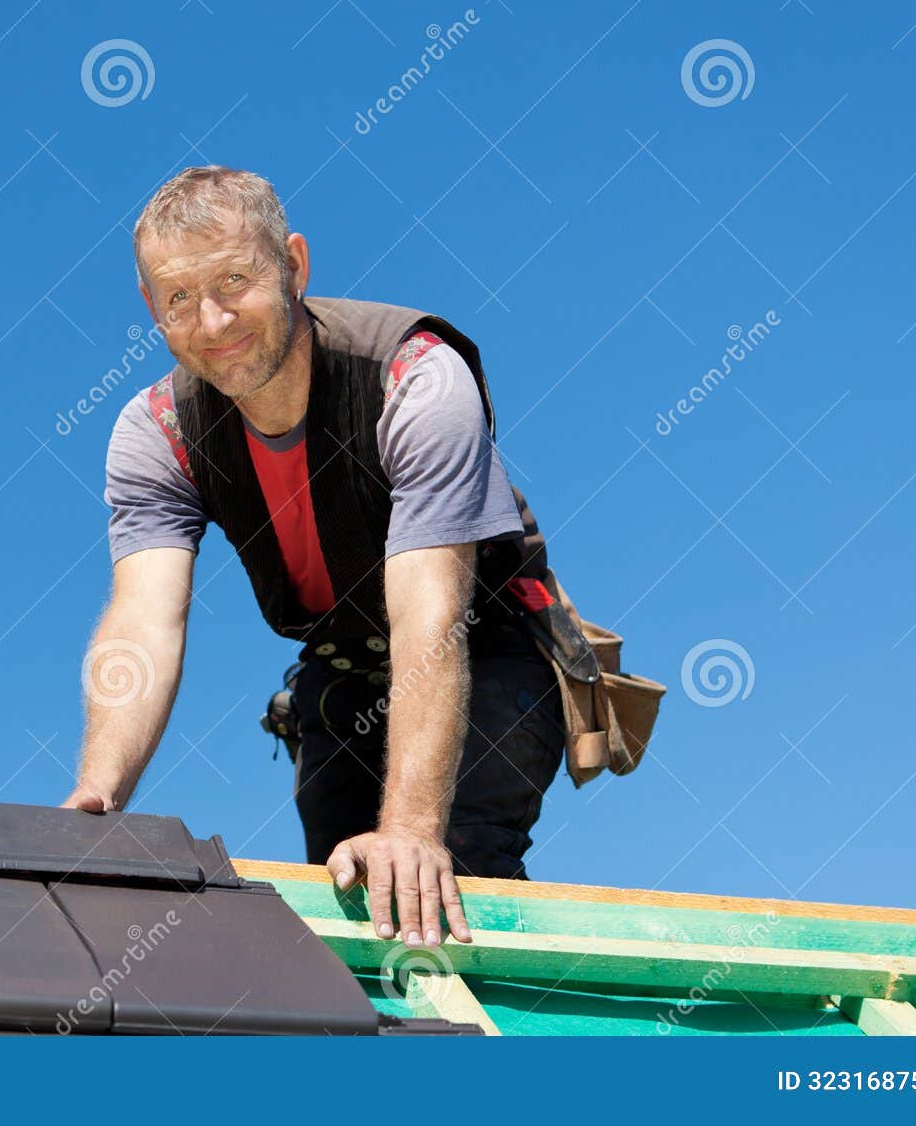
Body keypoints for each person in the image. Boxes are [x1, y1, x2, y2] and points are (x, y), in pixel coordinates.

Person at [62, 166, 569, 948]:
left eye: (235, 279)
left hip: (486, 644)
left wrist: (407, 827)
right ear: (150, 307)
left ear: (294, 265)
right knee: (349, 911)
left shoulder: (415, 376)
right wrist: (94, 801)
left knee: (446, 877)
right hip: (342, 669)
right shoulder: (155, 432)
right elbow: (143, 619)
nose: (212, 319)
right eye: (179, 298)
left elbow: (430, 615)